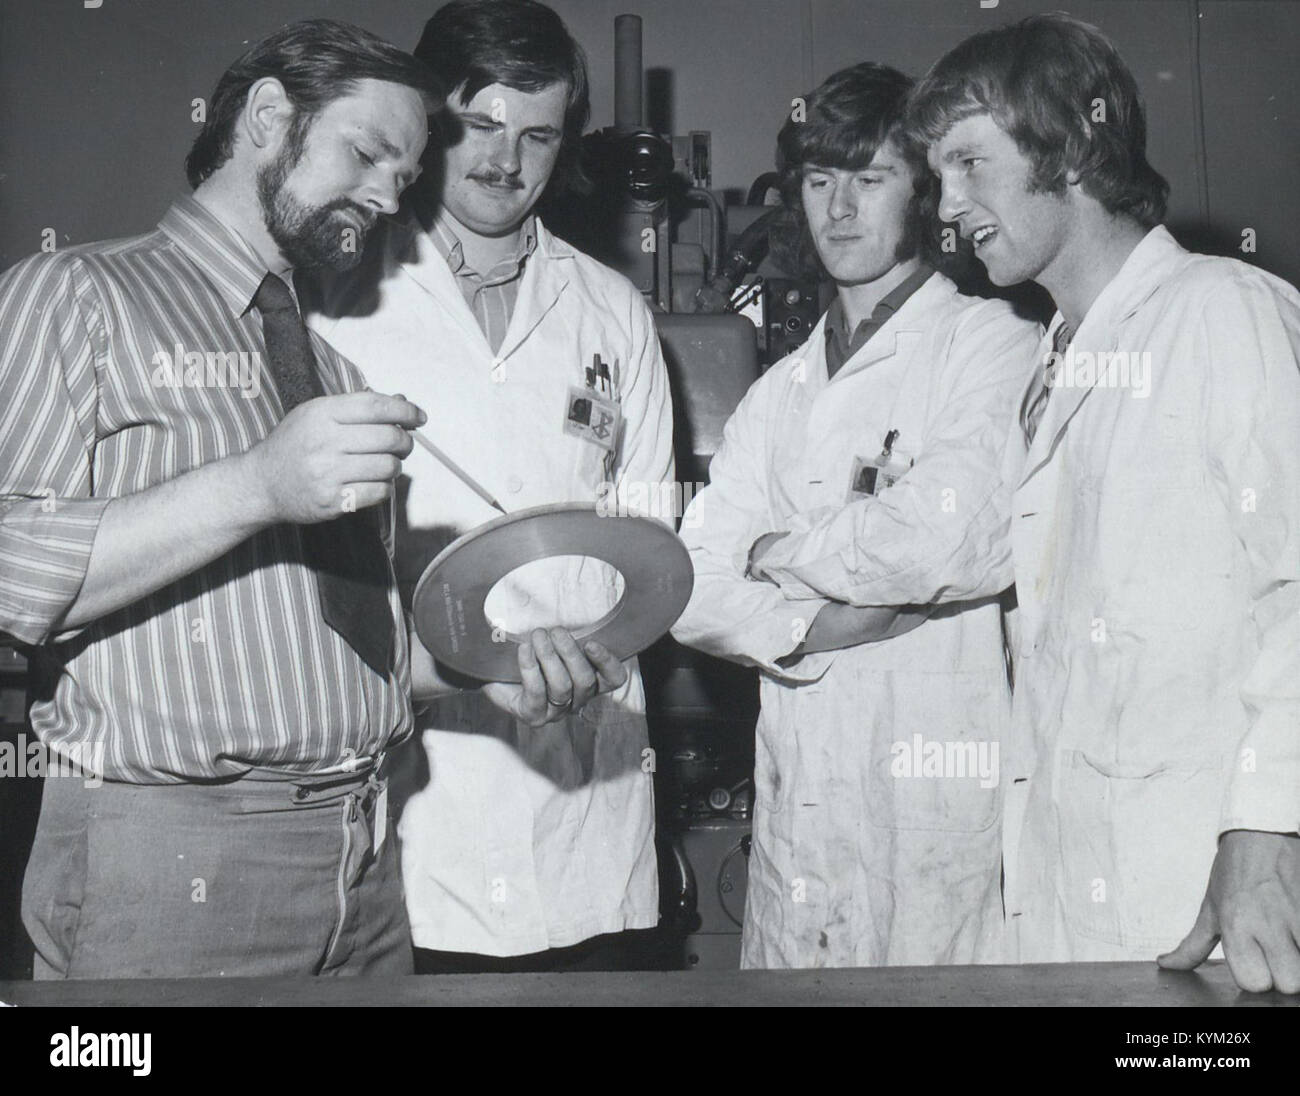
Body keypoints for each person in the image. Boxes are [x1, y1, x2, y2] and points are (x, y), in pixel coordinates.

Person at [763, 13, 1300, 993]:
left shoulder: (1222, 313)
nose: (948, 204)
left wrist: (1268, 833)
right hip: (1074, 909)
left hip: (1217, 903)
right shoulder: (1053, 363)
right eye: (938, 175)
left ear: (1071, 146)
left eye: (970, 163)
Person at [0, 19, 438, 978]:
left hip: (366, 858)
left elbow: (341, 643)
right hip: (176, 856)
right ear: (268, 116)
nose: (386, 197)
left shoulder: (330, 370)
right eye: (367, 153)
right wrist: (258, 484)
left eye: (403, 178)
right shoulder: (75, 294)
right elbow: (8, 572)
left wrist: (494, 671)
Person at [304, 0, 674, 973]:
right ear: (431, 124)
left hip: (590, 806)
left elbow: (653, 540)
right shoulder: (339, 303)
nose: (506, 160)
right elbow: (307, 584)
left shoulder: (613, 311)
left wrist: (592, 650)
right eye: (481, 124)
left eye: (538, 135)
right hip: (420, 818)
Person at [669, 63, 1041, 968]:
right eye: (818, 180)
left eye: (869, 179)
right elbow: (687, 582)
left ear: (922, 191)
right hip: (800, 804)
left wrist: (768, 552)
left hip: (935, 799)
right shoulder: (777, 390)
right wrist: (811, 627)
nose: (839, 209)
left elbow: (946, 540)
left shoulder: (992, 344)